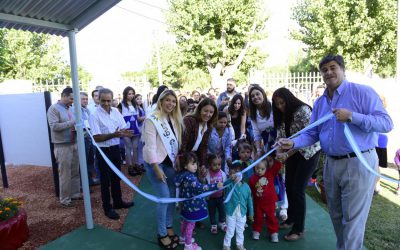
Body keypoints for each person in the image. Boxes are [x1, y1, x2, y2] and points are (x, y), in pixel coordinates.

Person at [276, 55, 393, 249]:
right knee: (337, 216)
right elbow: (313, 132)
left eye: (333, 67)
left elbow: (386, 123)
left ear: (343, 70)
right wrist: (292, 142)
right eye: (324, 70)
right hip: (331, 164)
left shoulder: (362, 92)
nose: (329, 72)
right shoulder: (321, 103)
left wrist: (353, 117)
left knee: (353, 220)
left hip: (358, 162)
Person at [272, 87, 321, 241]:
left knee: (298, 188)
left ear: (289, 99)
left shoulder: (303, 110)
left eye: (282, 103)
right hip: (292, 152)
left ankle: (298, 229)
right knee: (288, 185)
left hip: (308, 152)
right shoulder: (280, 114)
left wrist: (286, 153)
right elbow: (281, 136)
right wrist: (278, 151)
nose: (280, 106)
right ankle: (291, 218)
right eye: (277, 104)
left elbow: (308, 137)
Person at [143, 89, 183, 249]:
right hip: (155, 164)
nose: (171, 104)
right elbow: (150, 147)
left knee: (172, 195)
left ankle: (168, 226)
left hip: (169, 163)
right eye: (168, 100)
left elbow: (175, 144)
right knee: (164, 196)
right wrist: (155, 168)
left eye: (174, 101)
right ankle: (161, 233)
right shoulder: (152, 119)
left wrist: (177, 160)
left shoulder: (173, 119)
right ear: (160, 101)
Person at [89, 88, 134, 220]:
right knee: (105, 181)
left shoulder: (115, 111)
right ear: (98, 100)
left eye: (109, 100)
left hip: (115, 148)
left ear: (113, 99)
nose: (107, 103)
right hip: (103, 151)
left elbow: (123, 128)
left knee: (116, 176)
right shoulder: (94, 115)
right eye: (103, 101)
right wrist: (114, 134)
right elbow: (96, 138)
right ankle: (107, 208)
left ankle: (118, 202)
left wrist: (125, 133)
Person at [175, 152, 223, 250]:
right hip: (192, 207)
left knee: (185, 222)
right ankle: (188, 245)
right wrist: (215, 186)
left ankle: (183, 238)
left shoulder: (183, 175)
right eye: (192, 164)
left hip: (185, 205)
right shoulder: (191, 178)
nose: (195, 166)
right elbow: (200, 188)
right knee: (190, 225)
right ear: (185, 165)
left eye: (196, 163)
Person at [47, 87, 80, 207]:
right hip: (62, 146)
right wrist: (73, 123)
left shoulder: (70, 108)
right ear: (64, 96)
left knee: (75, 171)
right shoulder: (53, 109)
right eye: (71, 98)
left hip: (74, 143)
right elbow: (54, 126)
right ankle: (65, 200)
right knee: (65, 173)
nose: (73, 101)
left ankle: (75, 194)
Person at [180, 98, 218, 176]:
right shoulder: (189, 121)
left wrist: (202, 164)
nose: (208, 114)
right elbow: (183, 143)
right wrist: (186, 162)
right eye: (205, 111)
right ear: (200, 109)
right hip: (183, 159)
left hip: (193, 159)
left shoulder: (208, 126)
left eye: (211, 112)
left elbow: (203, 147)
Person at [248, 156, 282, 243]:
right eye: (257, 168)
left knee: (271, 217)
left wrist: (278, 158)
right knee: (258, 218)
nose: (259, 171)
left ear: (266, 168)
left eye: (262, 169)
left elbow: (277, 166)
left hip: (270, 202)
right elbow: (250, 190)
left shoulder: (270, 173)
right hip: (258, 203)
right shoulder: (252, 178)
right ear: (254, 167)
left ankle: (274, 232)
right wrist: (253, 195)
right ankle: (256, 231)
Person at [70, 92, 99, 186]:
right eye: (83, 99)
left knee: (90, 161)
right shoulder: (74, 110)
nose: (85, 101)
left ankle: (89, 181)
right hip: (82, 139)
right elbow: (76, 124)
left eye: (86, 99)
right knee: (83, 161)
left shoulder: (87, 110)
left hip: (90, 138)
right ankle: (83, 184)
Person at [223, 162, 254, 250]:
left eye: (235, 172)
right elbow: (224, 184)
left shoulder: (246, 187)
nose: (233, 175)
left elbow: (250, 201)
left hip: (242, 213)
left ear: (242, 174)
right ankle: (226, 245)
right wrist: (230, 179)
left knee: (240, 230)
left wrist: (251, 213)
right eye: (231, 173)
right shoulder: (229, 184)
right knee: (230, 230)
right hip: (230, 212)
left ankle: (239, 244)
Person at [117, 86, 144, 176]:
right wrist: (121, 129)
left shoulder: (135, 104)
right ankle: (130, 167)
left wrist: (146, 117)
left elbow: (138, 118)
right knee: (128, 148)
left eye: (132, 93)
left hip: (135, 129)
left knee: (135, 147)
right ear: (125, 94)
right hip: (126, 130)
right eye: (129, 94)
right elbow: (118, 118)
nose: (131, 95)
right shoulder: (121, 105)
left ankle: (136, 165)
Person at [248, 85, 276, 159]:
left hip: (279, 140)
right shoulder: (253, 114)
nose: (255, 97)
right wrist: (258, 150)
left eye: (257, 94)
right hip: (267, 144)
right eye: (252, 96)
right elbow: (256, 133)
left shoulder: (273, 106)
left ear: (263, 94)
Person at [205, 154, 227, 234]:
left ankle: (222, 222)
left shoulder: (223, 174)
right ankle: (213, 225)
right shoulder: (207, 174)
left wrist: (224, 195)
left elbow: (225, 185)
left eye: (219, 164)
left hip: (220, 197)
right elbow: (205, 185)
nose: (217, 166)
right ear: (209, 165)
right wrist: (207, 196)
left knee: (222, 211)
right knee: (212, 212)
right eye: (214, 165)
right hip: (211, 199)